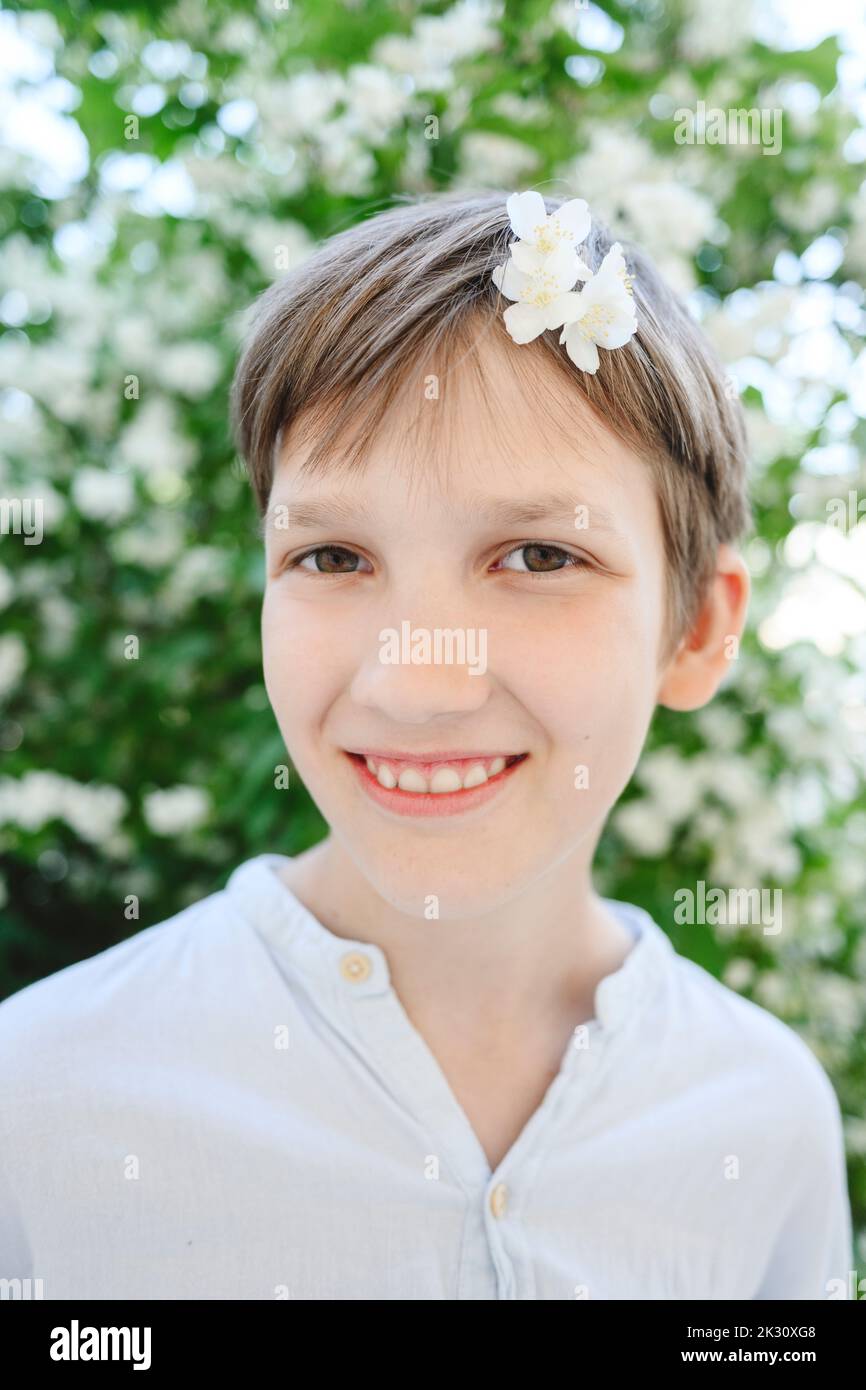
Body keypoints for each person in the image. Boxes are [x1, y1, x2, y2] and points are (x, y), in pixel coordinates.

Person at [0, 190, 853, 1300]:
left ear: (693, 628)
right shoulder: (44, 1093)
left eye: (538, 557)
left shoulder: (761, 1116)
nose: (414, 683)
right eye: (335, 557)